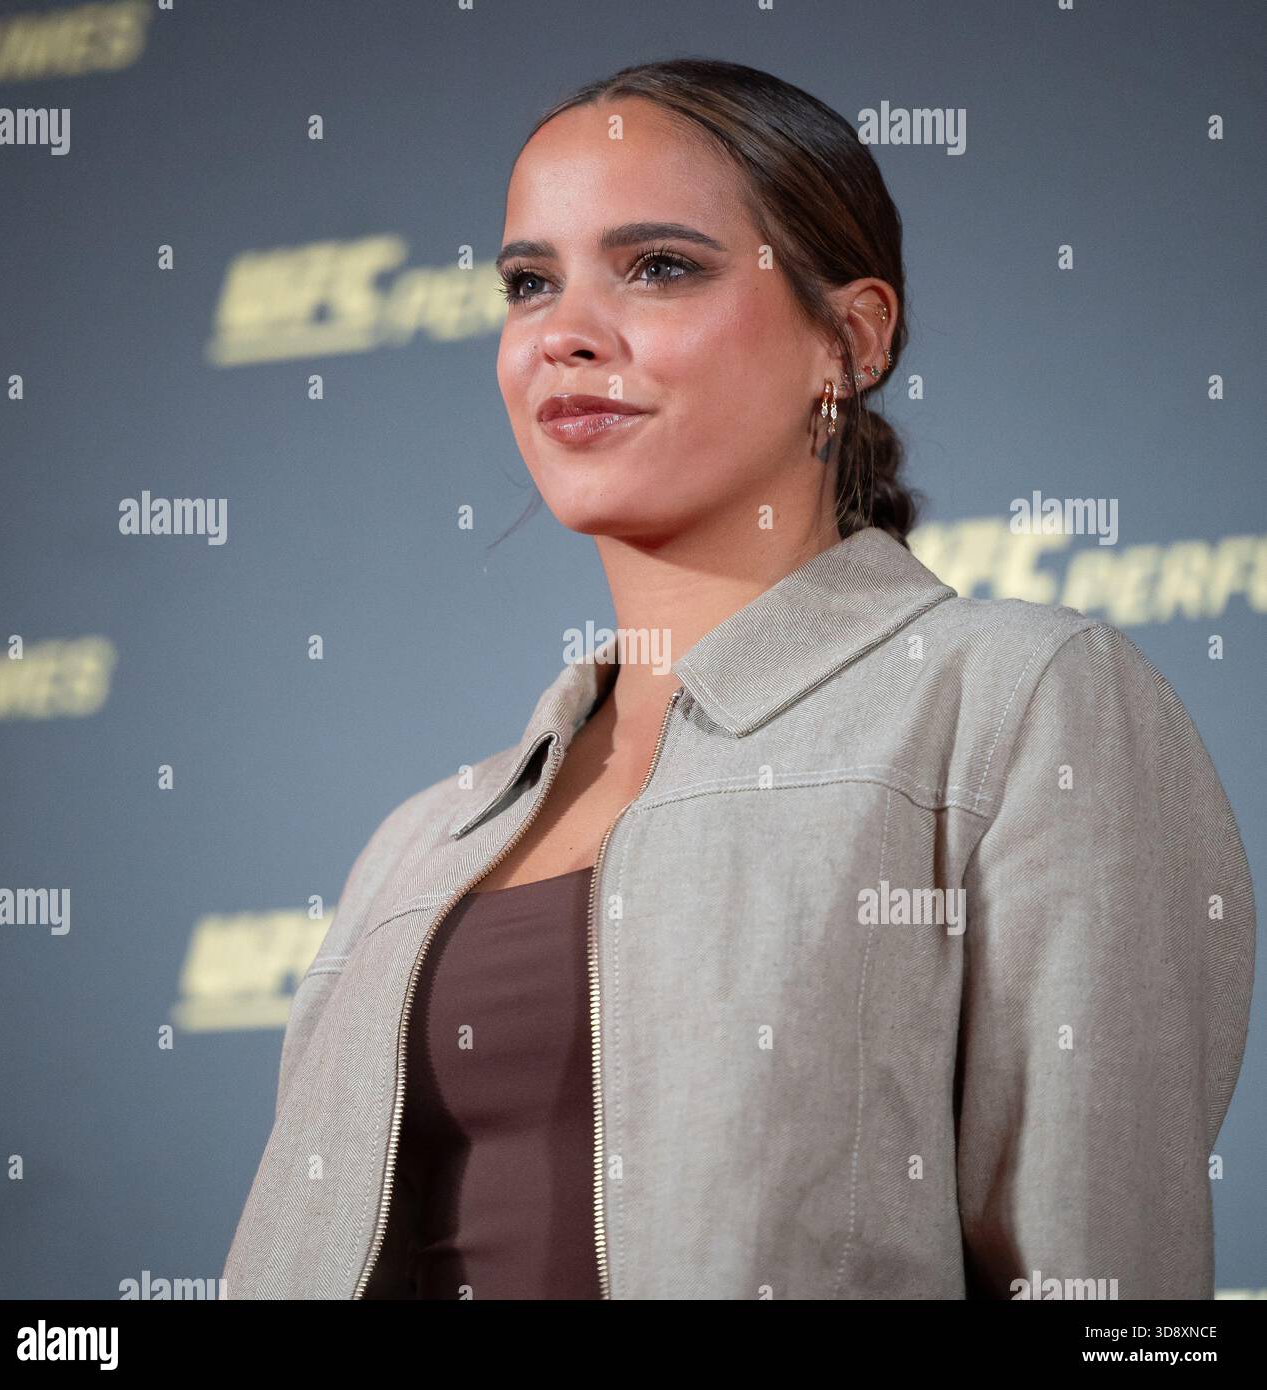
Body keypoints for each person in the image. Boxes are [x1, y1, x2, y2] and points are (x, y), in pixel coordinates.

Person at [222, 58, 1255, 1300]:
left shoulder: (1021, 703)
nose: (565, 332)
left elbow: (1111, 1294)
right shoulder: (413, 843)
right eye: (528, 282)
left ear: (849, 338)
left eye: (658, 266)